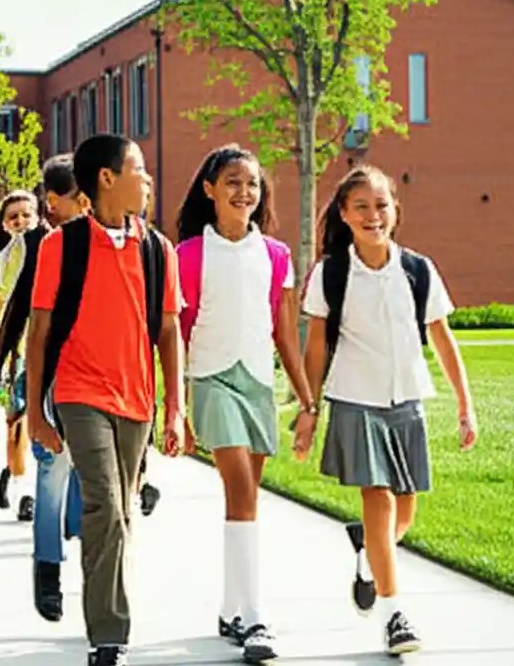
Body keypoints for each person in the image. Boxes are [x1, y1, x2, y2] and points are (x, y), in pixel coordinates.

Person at [296, 164, 478, 657]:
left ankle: (367, 559)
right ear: (344, 214)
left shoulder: (418, 270)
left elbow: (442, 338)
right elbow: (316, 347)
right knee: (377, 500)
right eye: (362, 207)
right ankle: (395, 613)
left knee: (405, 509)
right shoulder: (331, 273)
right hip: (356, 401)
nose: (373, 215)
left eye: (382, 206)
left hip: (407, 401)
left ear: (395, 210)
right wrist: (309, 409)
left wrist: (466, 404)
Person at [26, 135, 185, 666]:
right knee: (107, 509)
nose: (148, 179)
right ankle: (109, 637)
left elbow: (168, 332)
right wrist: (33, 414)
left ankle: (101, 612)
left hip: (136, 401)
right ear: (107, 179)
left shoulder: (157, 250)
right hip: (78, 393)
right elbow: (40, 331)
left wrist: (176, 409)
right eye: (138, 169)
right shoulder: (61, 246)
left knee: (119, 517)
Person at [173, 144, 315, 663]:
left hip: (257, 382)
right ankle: (256, 618)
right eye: (232, 182)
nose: (244, 192)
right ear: (209, 189)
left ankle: (232, 608)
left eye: (252, 183)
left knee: (245, 497)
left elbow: (283, 332)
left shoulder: (275, 256)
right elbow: (176, 334)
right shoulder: (187, 254)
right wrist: (177, 406)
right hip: (210, 379)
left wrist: (306, 399)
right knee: (241, 492)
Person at [0, 154, 90, 622]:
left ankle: (87, 555)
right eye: (75, 198)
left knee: (90, 480)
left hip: (102, 377)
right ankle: (48, 567)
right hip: (51, 375)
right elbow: (16, 313)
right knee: (52, 472)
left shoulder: (120, 240)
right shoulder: (45, 245)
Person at [0, 190, 41, 518]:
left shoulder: (50, 251)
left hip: (46, 349)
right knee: (16, 422)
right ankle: (23, 491)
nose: (20, 221)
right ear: (4, 224)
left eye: (26, 214)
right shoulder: (0, 261)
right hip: (15, 354)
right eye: (13, 216)